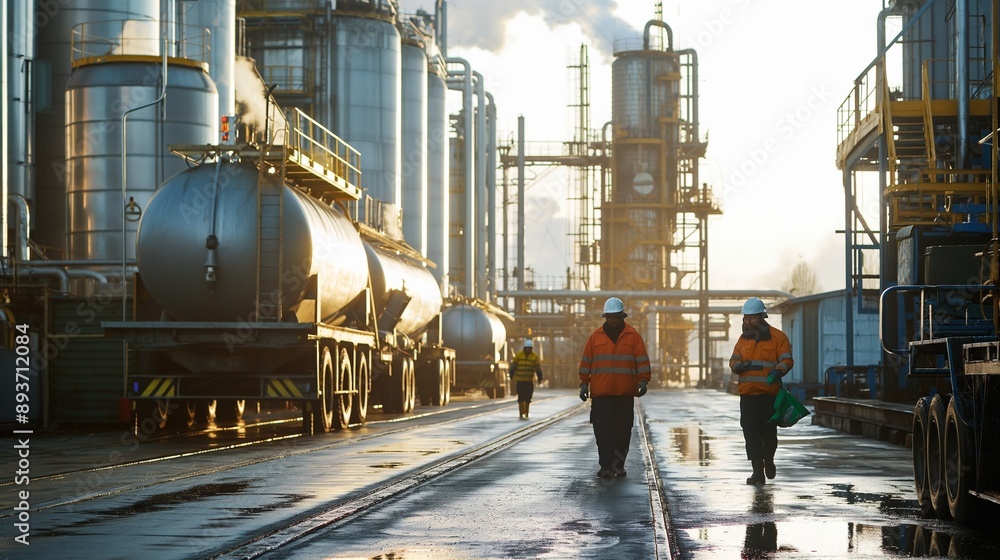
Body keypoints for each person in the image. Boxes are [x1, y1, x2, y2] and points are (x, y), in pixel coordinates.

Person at [578, 297, 651, 479]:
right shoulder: (595, 338)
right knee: (603, 431)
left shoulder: (633, 337)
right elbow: (586, 362)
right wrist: (583, 383)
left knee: (623, 430)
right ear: (605, 317)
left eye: (615, 317)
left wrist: (643, 380)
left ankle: (618, 465)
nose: (612, 320)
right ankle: (606, 467)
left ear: (622, 316)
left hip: (625, 393)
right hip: (601, 394)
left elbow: (641, 360)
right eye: (609, 317)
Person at [729, 297, 794, 485]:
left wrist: (779, 370)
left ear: (762, 317)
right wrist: (738, 366)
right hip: (748, 395)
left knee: (768, 432)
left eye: (751, 318)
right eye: (745, 318)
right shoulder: (742, 340)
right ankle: (757, 472)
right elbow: (733, 360)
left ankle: (769, 461)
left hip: (769, 395)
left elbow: (787, 360)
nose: (747, 321)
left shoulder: (778, 338)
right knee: (750, 433)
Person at [509, 339, 543, 418]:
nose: (528, 349)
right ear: (525, 348)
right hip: (520, 380)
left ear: (531, 348)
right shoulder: (518, 355)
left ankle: (526, 413)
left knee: (528, 397)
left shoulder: (534, 357)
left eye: (530, 348)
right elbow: (513, 366)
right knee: (520, 397)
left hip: (529, 381)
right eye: (527, 348)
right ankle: (521, 413)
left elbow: (538, 368)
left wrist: (540, 377)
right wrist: (511, 374)